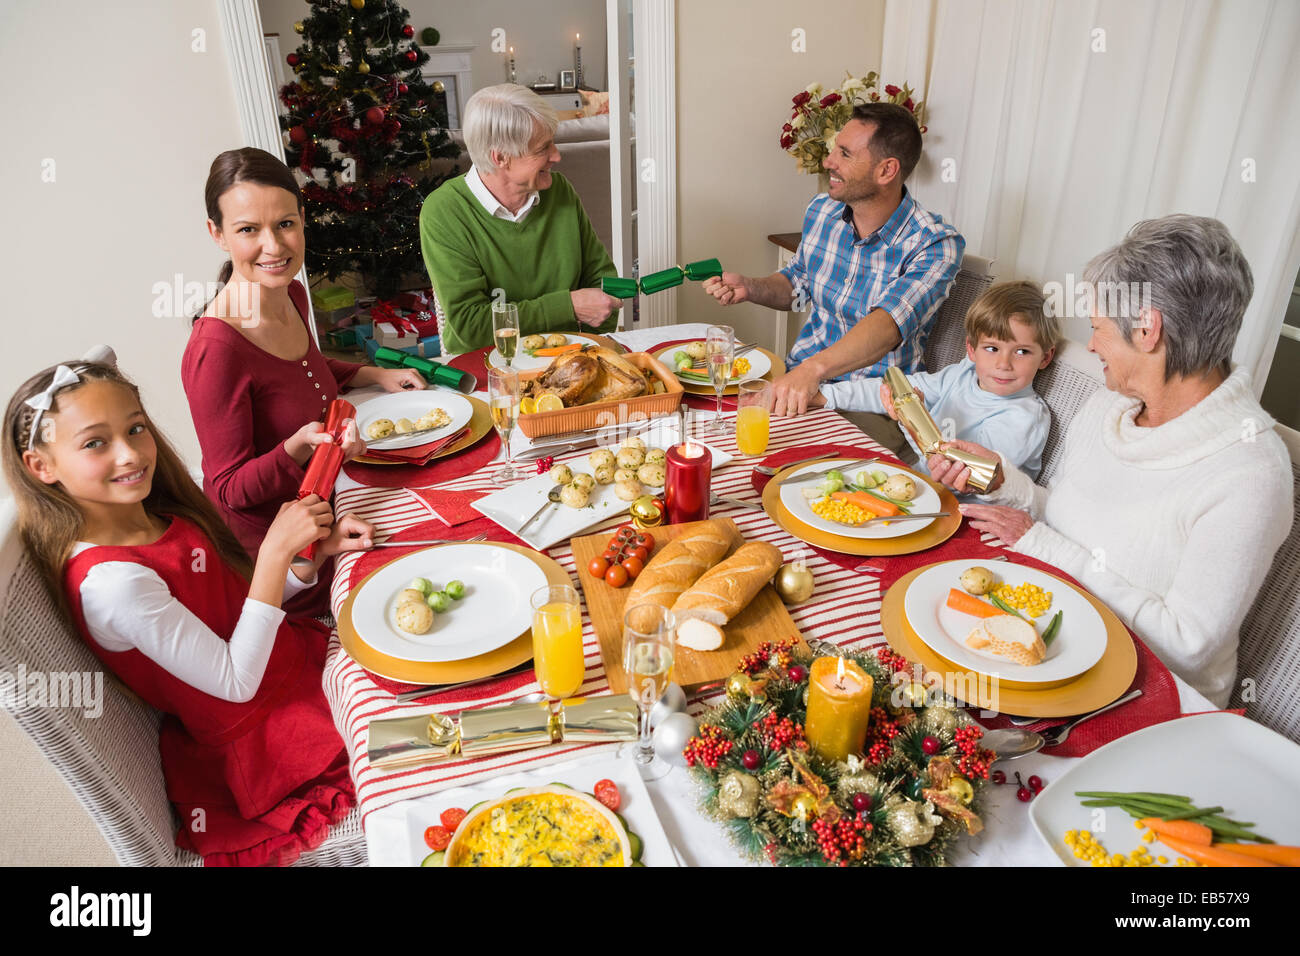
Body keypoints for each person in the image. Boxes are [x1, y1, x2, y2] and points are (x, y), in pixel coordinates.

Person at [4, 357, 374, 865]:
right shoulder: (114, 584)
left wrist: (306, 561)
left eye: (136, 428)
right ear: (41, 468)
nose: (130, 453)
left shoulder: (156, 519)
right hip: (270, 734)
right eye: (95, 442)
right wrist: (272, 553)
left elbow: (233, 615)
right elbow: (235, 680)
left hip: (296, 666)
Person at [927, 216, 1292, 707]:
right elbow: (1074, 524)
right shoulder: (1114, 403)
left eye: (1098, 329)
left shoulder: (1248, 474)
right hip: (1046, 633)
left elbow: (1188, 645)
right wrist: (1003, 481)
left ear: (1147, 330)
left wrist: (1040, 544)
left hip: (1145, 693)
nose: (1092, 345)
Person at [183, 148, 423, 614]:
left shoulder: (289, 292)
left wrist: (376, 374)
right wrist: (297, 447)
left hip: (331, 503)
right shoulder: (216, 350)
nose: (273, 247)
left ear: (302, 219)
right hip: (282, 568)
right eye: (248, 229)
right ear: (217, 234)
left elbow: (300, 369)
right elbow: (230, 489)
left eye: (285, 224)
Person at [704, 102, 965, 422]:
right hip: (801, 380)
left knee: (779, 457)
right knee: (711, 420)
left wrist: (812, 371)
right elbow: (799, 283)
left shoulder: (936, 243)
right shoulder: (822, 209)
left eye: (845, 154)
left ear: (887, 170)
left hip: (873, 403)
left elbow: (887, 326)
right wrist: (751, 287)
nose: (828, 161)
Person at [419, 83, 622, 354]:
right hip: (487, 365)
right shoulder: (445, 211)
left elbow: (602, 279)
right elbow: (470, 327)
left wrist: (587, 347)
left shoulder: (559, 190)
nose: (557, 156)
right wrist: (568, 307)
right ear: (500, 157)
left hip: (569, 354)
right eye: (543, 148)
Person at [811, 281, 1056, 479]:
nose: (1004, 364)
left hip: (965, 514)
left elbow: (959, 477)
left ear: (1045, 358)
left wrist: (912, 420)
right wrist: (825, 396)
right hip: (920, 482)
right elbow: (895, 388)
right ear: (971, 350)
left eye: (1022, 352)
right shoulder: (963, 374)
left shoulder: (1024, 418)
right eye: (992, 348)